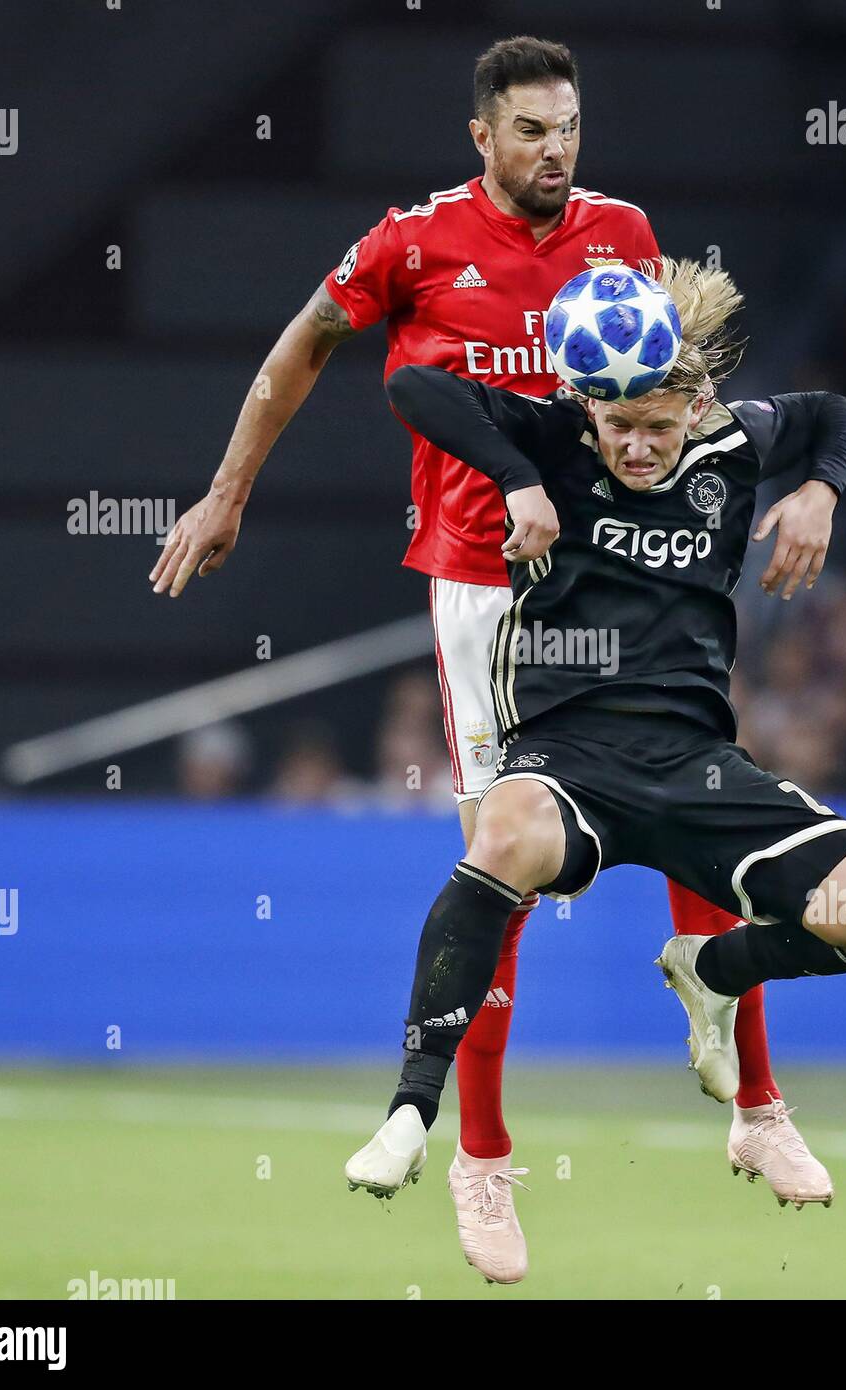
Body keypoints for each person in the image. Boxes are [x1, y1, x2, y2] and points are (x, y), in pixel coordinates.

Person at [149, 35, 807, 1285]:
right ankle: (484, 1162)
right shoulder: (412, 243)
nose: (555, 151)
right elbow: (301, 349)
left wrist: (768, 474)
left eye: (568, 127)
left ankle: (758, 1104)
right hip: (482, 598)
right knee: (499, 865)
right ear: (480, 138)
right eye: (529, 131)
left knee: (697, 806)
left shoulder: (623, 231)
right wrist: (228, 492)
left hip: (616, 576)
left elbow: (667, 396)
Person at [344, 260, 846, 1258]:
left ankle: (715, 966)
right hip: (567, 759)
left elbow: (835, 411)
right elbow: (412, 386)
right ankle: (413, 1109)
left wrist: (820, 495)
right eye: (616, 427)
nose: (636, 447)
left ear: (695, 404)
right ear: (587, 406)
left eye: (656, 428)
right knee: (500, 835)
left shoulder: (734, 442)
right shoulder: (553, 439)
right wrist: (523, 476)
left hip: (700, 765)